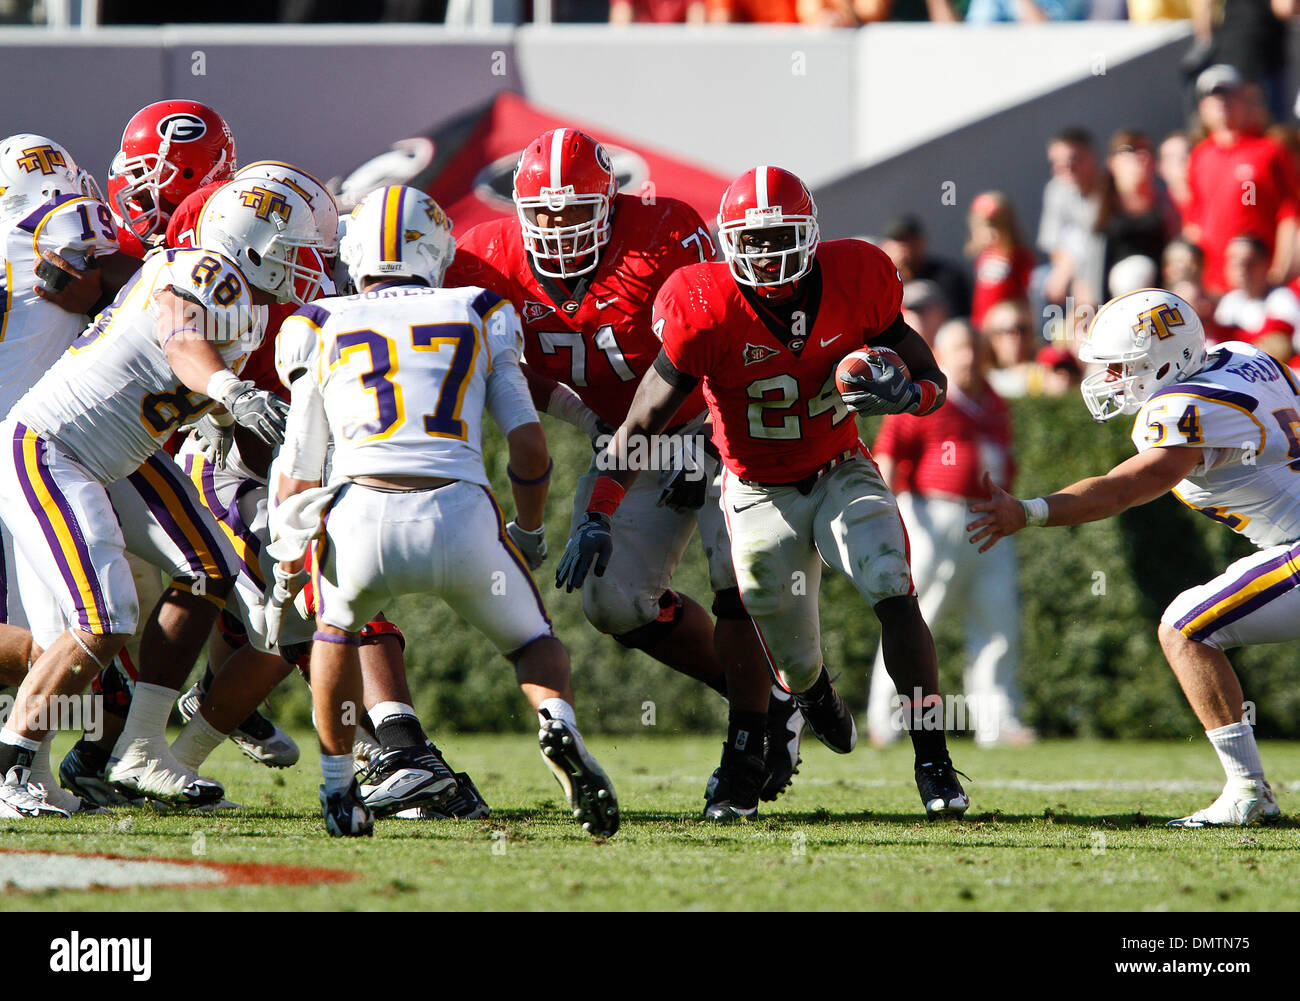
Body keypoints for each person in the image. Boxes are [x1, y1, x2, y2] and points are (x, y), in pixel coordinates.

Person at [556, 165, 970, 821]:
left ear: (809, 235)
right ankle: (814, 695)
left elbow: (933, 379)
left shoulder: (858, 275)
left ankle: (934, 762)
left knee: (892, 582)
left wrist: (908, 395)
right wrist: (600, 509)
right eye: (753, 240)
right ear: (728, 242)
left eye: (781, 237)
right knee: (794, 662)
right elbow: (642, 421)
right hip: (754, 488)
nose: (768, 254)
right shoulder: (703, 305)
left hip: (840, 466)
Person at [445, 129, 810, 807]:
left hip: (715, 426)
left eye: (573, 209)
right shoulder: (486, 258)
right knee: (612, 600)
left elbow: (729, 332)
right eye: (543, 213)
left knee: (738, 573)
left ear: (609, 204)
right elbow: (513, 372)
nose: (556, 227)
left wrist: (715, 443)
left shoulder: (664, 234)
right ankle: (772, 697)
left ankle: (747, 739)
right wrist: (593, 427)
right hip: (629, 440)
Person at [270, 185, 617, 838]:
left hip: (359, 512)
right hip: (461, 514)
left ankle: (341, 789)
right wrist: (530, 528)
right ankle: (557, 727)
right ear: (437, 250)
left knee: (337, 633)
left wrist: (289, 559)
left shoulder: (316, 321)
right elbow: (529, 445)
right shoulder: (479, 308)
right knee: (533, 643)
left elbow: (297, 463)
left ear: (354, 251)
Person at [0, 176, 323, 818]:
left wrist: (273, 432)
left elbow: (222, 419)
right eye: (296, 248)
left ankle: (142, 748)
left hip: (116, 457)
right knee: (102, 618)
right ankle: (12, 768)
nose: (309, 263)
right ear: (251, 242)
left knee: (209, 565)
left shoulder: (248, 309)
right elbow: (180, 337)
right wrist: (234, 392)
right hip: (53, 447)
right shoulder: (207, 268)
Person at [968, 288, 1296, 827]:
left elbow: (1122, 489)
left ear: (1165, 360)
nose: (1111, 379)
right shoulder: (1246, 357)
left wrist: (1029, 511)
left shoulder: (1180, 408)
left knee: (1185, 629)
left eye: (1122, 367)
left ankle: (1247, 792)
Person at [866, 320, 1030, 748]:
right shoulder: (926, 399)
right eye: (959, 347)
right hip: (932, 513)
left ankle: (998, 722)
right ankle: (887, 721)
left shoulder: (993, 400)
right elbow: (888, 456)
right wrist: (890, 517)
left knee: (997, 622)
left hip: (989, 517)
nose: (969, 356)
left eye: (975, 347)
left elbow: (1008, 458)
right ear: (939, 354)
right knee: (914, 620)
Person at [1183, 64, 1300, 295]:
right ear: (1201, 106)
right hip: (1214, 286)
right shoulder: (1200, 155)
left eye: (1228, 93)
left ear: (1245, 100)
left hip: (1261, 285)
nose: (1221, 101)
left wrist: (1278, 271)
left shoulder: (1270, 150)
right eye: (1212, 95)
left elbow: (1290, 215)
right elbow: (1193, 221)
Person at [1096, 130, 1179, 301]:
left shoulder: (1167, 203)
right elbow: (1089, 264)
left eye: (1146, 149)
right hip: (1114, 300)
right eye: (1130, 149)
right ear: (1112, 162)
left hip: (1162, 296)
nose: (1141, 155)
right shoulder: (1100, 206)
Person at [1037, 128, 1105, 309]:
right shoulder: (1056, 189)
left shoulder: (1109, 188)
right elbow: (1052, 242)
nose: (1066, 170)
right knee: (1040, 281)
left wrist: (1080, 277)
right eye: (1057, 163)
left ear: (1091, 157)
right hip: (1073, 268)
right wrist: (1067, 269)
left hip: (1103, 265)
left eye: (1072, 161)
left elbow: (1099, 245)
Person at [1214, 234, 1300, 363]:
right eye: (1234, 262)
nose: (1241, 269)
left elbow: (1279, 347)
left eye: (1249, 262)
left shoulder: (1282, 297)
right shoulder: (1229, 301)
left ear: (1265, 264)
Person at [880, 213, 972, 318]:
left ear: (923, 242)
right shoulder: (878, 282)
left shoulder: (947, 277)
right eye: (898, 241)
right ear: (884, 246)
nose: (905, 247)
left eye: (910, 240)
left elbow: (958, 320)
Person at [967, 192, 1035, 330]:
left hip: (1007, 324)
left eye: (997, 226)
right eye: (985, 227)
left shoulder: (1019, 256)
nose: (990, 233)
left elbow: (1027, 293)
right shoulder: (983, 257)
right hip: (982, 323)